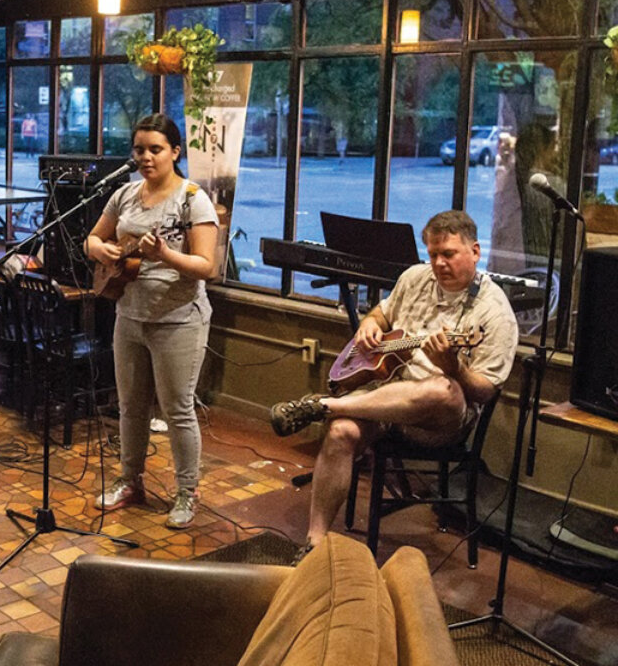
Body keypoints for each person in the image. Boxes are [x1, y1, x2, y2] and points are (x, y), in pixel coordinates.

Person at [269, 210, 518, 562]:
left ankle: (324, 405)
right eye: (433, 254)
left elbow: (484, 391)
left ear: (475, 252)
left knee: (442, 389)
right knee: (340, 433)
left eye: (449, 253)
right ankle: (314, 543)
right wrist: (368, 326)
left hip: (438, 420)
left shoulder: (494, 312)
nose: (439, 263)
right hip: (383, 396)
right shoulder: (414, 278)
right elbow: (381, 315)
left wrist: (456, 369)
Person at [84, 113, 219, 529]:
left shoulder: (192, 200)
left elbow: (206, 266)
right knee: (130, 406)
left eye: (155, 149)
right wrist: (102, 252)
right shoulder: (124, 195)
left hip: (178, 319)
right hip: (129, 313)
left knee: (178, 409)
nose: (145, 157)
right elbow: (92, 238)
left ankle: (186, 491)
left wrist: (166, 256)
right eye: (139, 149)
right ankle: (130, 481)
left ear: (175, 152)